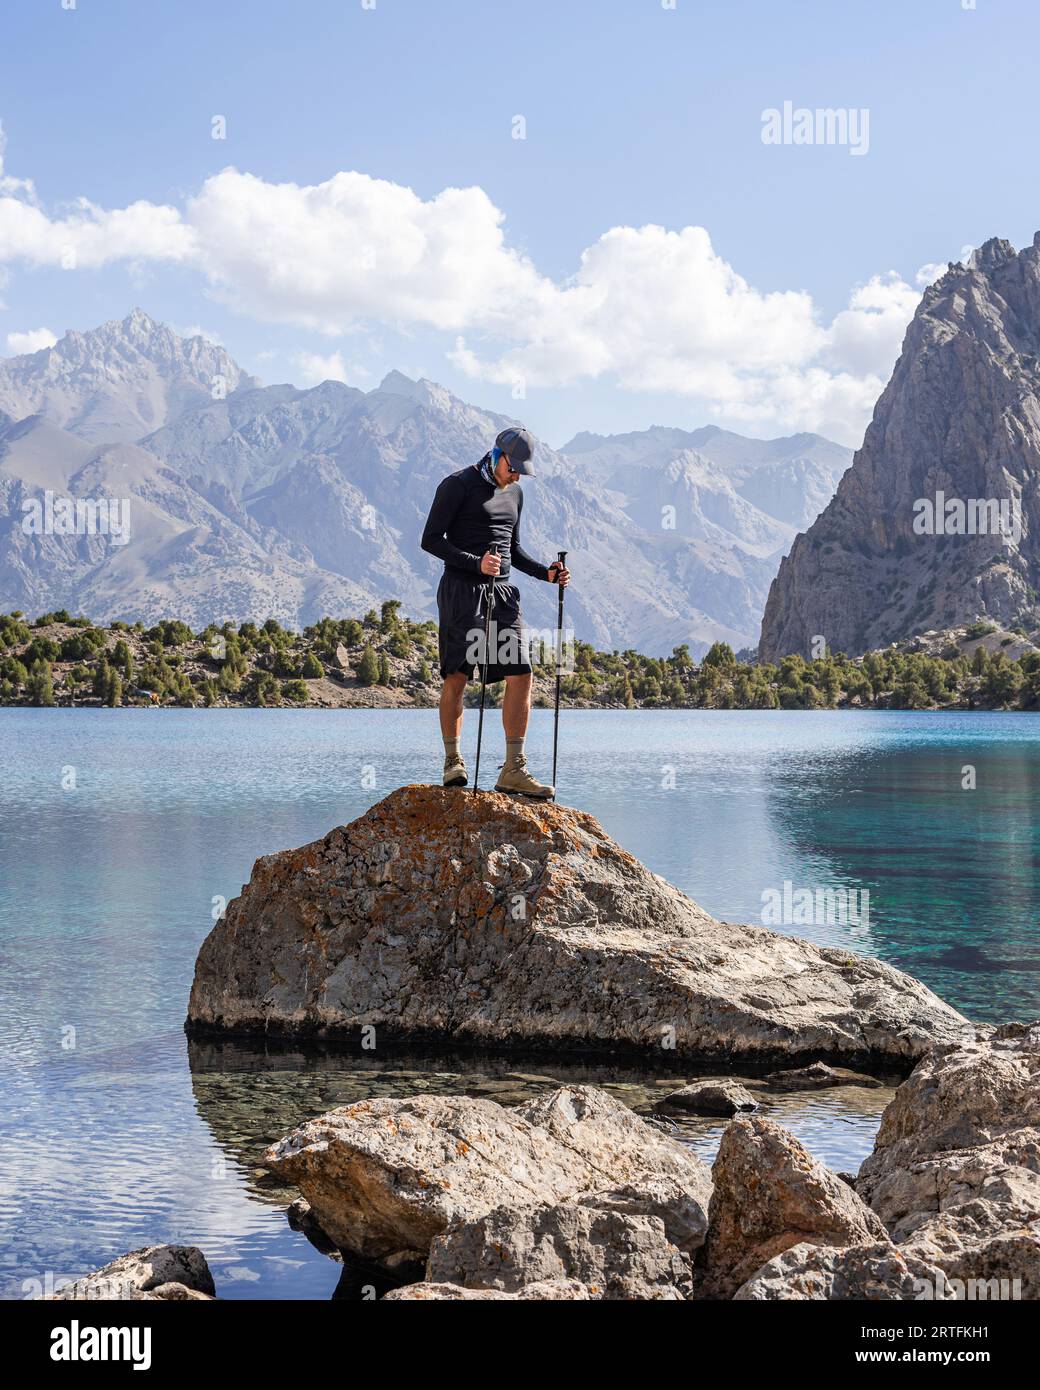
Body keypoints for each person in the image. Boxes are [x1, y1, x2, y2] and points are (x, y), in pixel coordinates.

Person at [420, 426, 570, 797]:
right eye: (513, 467)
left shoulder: (515, 495)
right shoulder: (457, 485)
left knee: (522, 671)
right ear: (496, 454)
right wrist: (475, 564)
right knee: (457, 676)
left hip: (502, 595)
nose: (517, 475)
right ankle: (453, 762)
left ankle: (512, 769)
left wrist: (546, 573)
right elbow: (429, 540)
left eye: (522, 470)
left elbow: (513, 551)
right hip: (461, 591)